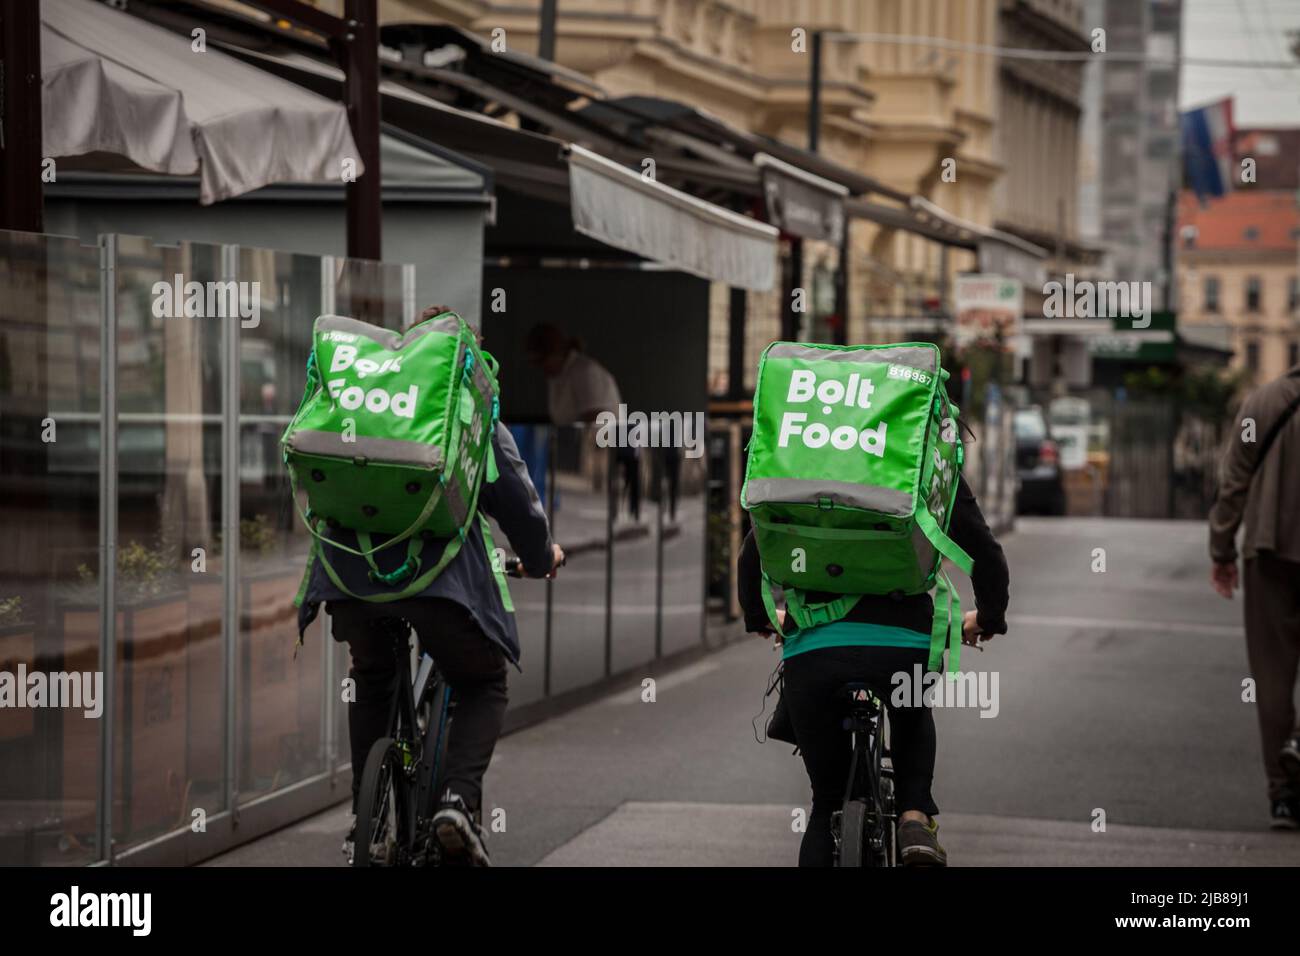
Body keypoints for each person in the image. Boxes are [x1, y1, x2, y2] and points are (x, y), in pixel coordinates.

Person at [296, 305, 563, 865]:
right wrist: (540, 557)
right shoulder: (461, 408)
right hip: (439, 587)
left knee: (371, 677)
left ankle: (363, 824)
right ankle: (458, 805)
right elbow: (517, 501)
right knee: (482, 683)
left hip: (347, 578)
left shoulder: (367, 398)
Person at [738, 473, 1009, 867]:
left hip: (814, 646)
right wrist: (988, 616)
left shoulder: (804, 453)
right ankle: (915, 817)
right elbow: (983, 550)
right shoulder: (919, 451)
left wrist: (758, 615)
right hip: (903, 643)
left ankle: (836, 819)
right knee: (912, 714)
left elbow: (756, 543)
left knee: (826, 803)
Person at [1207, 362, 1300, 829]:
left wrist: (1221, 549)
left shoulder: (1260, 403)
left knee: (1273, 675)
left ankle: (1283, 795)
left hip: (1269, 555)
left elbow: (1233, 483)